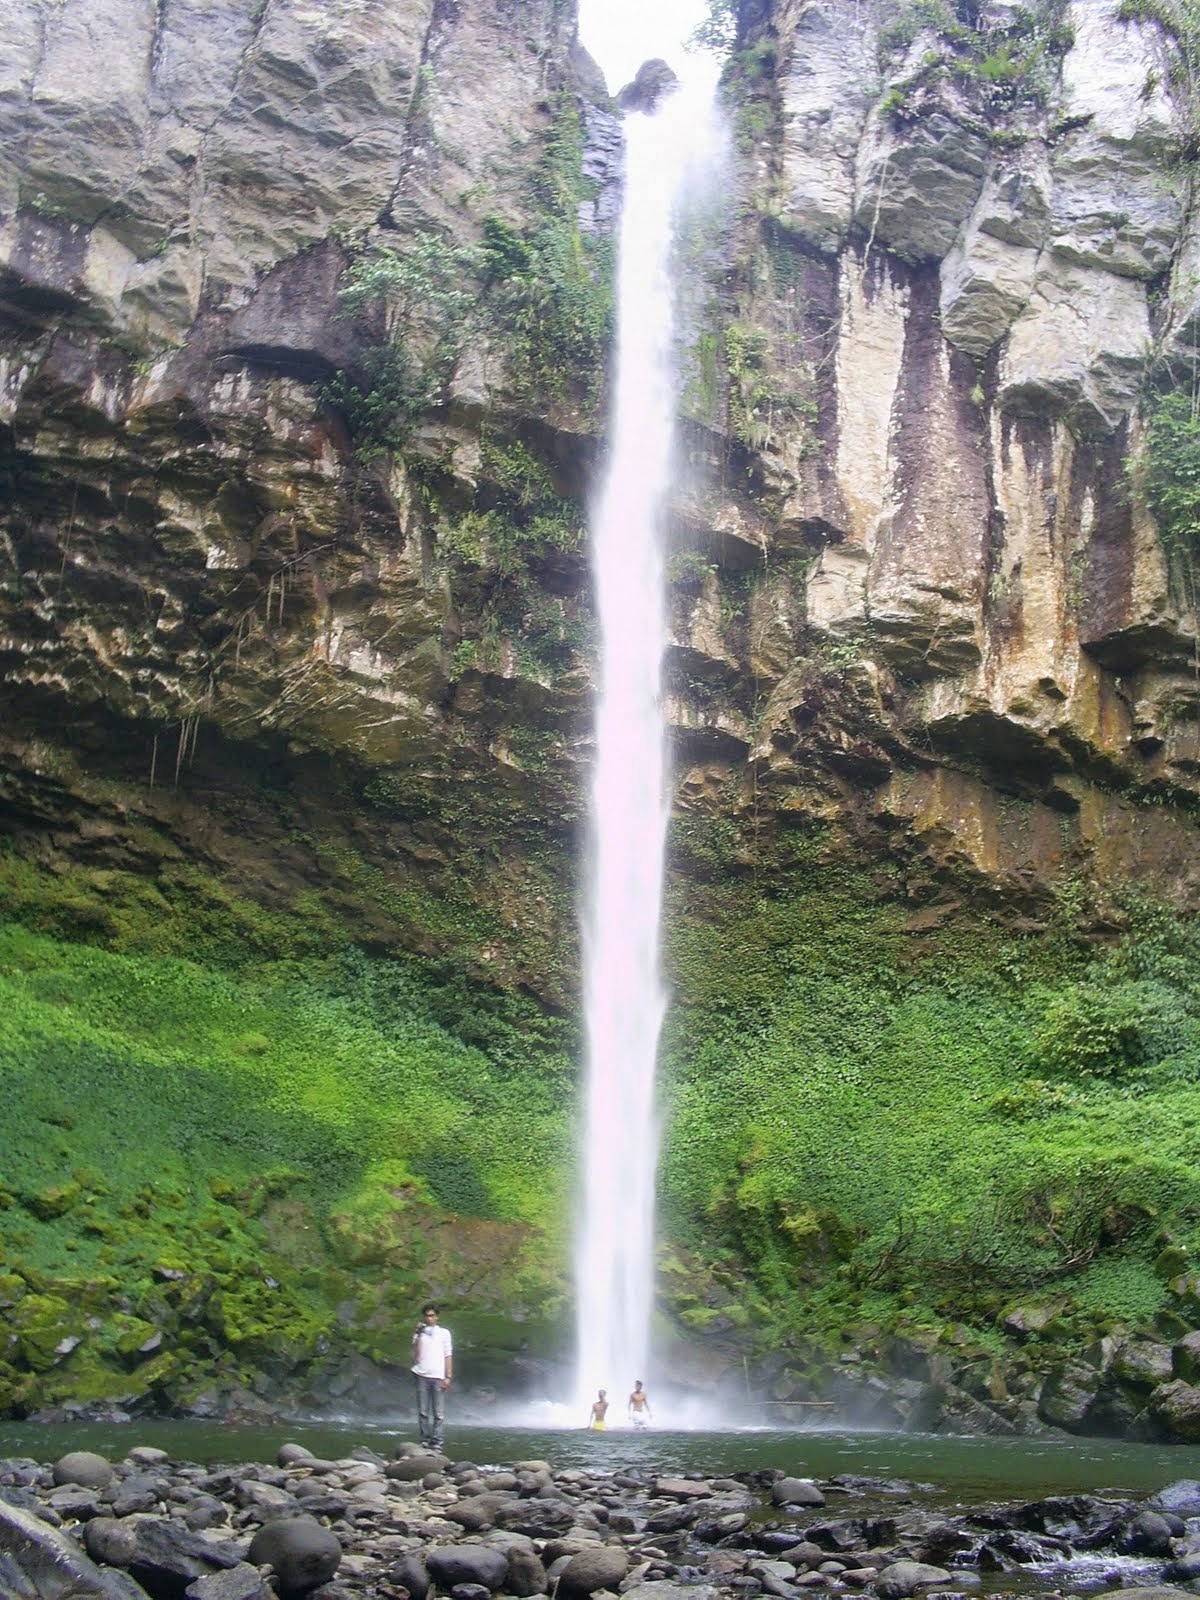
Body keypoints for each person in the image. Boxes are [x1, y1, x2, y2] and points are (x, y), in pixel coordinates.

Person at [411, 1302, 452, 1451]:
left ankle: (437, 1441)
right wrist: (418, 1335)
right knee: (423, 1411)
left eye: (432, 1315)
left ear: (437, 1317)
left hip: (438, 1376)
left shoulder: (444, 1333)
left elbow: (448, 1354)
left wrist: (448, 1376)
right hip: (421, 1373)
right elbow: (416, 1355)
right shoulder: (419, 1333)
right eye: (427, 1316)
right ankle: (424, 1440)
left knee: (439, 1412)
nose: (430, 1319)